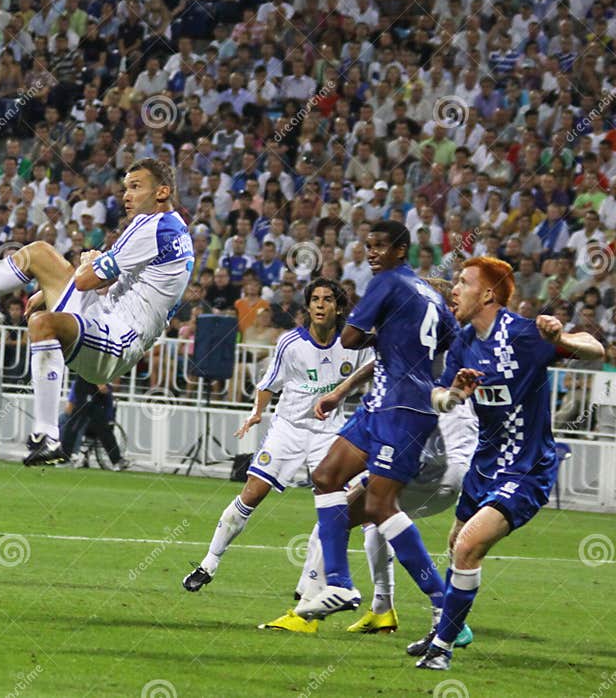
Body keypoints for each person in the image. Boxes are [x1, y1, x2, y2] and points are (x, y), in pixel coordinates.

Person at [0, 158, 194, 466]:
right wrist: (51, 287)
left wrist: (89, 262)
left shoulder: (157, 228)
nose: (126, 196)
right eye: (125, 188)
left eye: (135, 187)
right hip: (105, 315)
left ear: (162, 192)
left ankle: (48, 437)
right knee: (39, 253)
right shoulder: (165, 226)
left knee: (43, 324)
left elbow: (86, 279)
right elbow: (115, 280)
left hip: (120, 338)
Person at [412, 257, 604, 670]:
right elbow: (441, 398)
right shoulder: (464, 341)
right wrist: (454, 395)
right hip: (484, 465)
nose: (454, 290)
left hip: (525, 468)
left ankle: (441, 648)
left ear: (487, 294)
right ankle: (452, 627)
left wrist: (562, 337)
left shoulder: (522, 334)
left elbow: (596, 347)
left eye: (463, 282)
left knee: (468, 546)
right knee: (456, 544)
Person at [294, 221, 459, 624]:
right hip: (381, 404)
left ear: (401, 250)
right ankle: (339, 584)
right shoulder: (431, 296)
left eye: (381, 246)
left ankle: (444, 604)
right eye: (368, 245)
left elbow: (348, 338)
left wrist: (375, 334)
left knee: (380, 506)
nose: (372, 252)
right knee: (326, 476)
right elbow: (449, 341)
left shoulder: (387, 282)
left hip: (401, 408)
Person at [182, 279, 374, 591]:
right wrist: (256, 412)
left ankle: (319, 585)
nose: (320, 304)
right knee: (253, 493)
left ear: (339, 308)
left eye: (327, 299)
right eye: (315, 299)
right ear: (308, 306)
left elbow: (378, 364)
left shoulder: (352, 344)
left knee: (351, 503)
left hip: (329, 433)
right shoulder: (291, 343)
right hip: (288, 429)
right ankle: (209, 562)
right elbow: (269, 382)